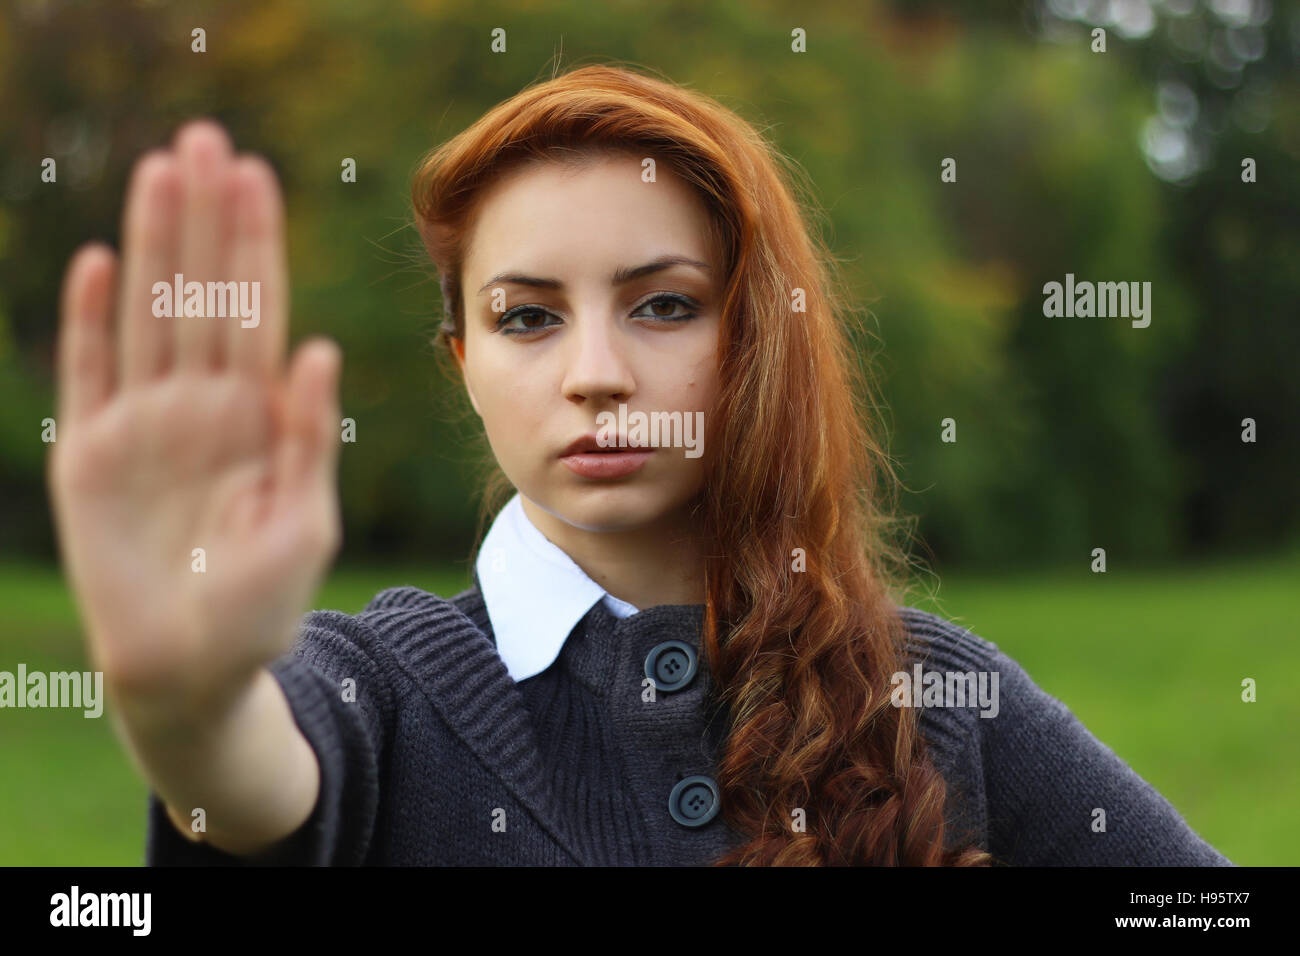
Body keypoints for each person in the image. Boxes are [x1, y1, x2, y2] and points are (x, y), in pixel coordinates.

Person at [48, 62, 1233, 866]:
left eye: (663, 304)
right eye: (527, 318)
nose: (595, 372)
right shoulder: (384, 688)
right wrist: (189, 708)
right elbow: (259, 781)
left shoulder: (935, 695)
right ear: (461, 358)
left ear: (756, 332)